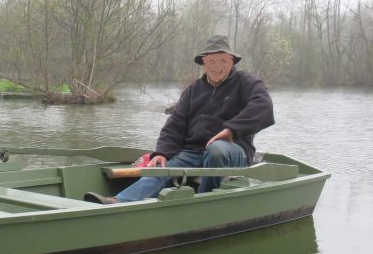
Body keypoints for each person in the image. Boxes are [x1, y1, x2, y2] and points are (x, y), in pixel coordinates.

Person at [85, 34, 275, 204]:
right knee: (163, 168)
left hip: (234, 151)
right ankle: (119, 201)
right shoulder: (193, 90)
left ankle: (203, 203)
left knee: (216, 150)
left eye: (222, 61)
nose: (217, 67)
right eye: (212, 61)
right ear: (204, 63)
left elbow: (263, 105)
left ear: (231, 61)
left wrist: (230, 130)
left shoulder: (246, 82)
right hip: (194, 152)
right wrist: (162, 153)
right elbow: (175, 125)